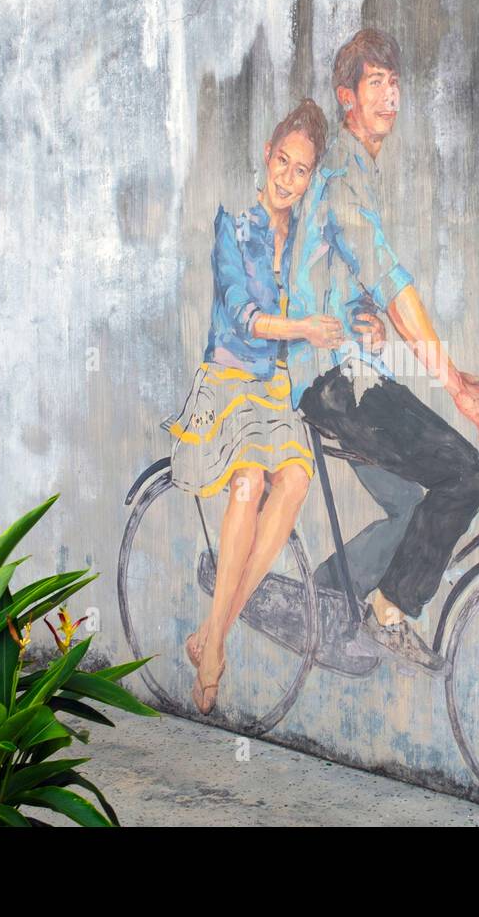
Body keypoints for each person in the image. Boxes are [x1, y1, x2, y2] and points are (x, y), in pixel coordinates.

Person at [287, 29, 479, 673]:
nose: (391, 96)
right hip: (336, 382)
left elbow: (358, 286)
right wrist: (456, 387)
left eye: (395, 82)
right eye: (375, 83)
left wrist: (451, 367)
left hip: (354, 371)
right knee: (465, 474)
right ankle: (390, 610)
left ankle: (322, 601)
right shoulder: (341, 175)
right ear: (346, 98)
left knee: (411, 506)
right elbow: (388, 275)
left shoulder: (360, 172)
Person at [165, 97, 385, 713]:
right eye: (281, 164)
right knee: (248, 484)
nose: (287, 181)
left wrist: (358, 319)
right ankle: (212, 655)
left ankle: (214, 633)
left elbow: (325, 306)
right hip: (230, 385)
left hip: (276, 394)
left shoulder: (305, 237)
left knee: (293, 482)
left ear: (312, 175)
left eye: (301, 171)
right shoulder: (234, 226)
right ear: (266, 157)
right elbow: (245, 315)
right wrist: (306, 332)